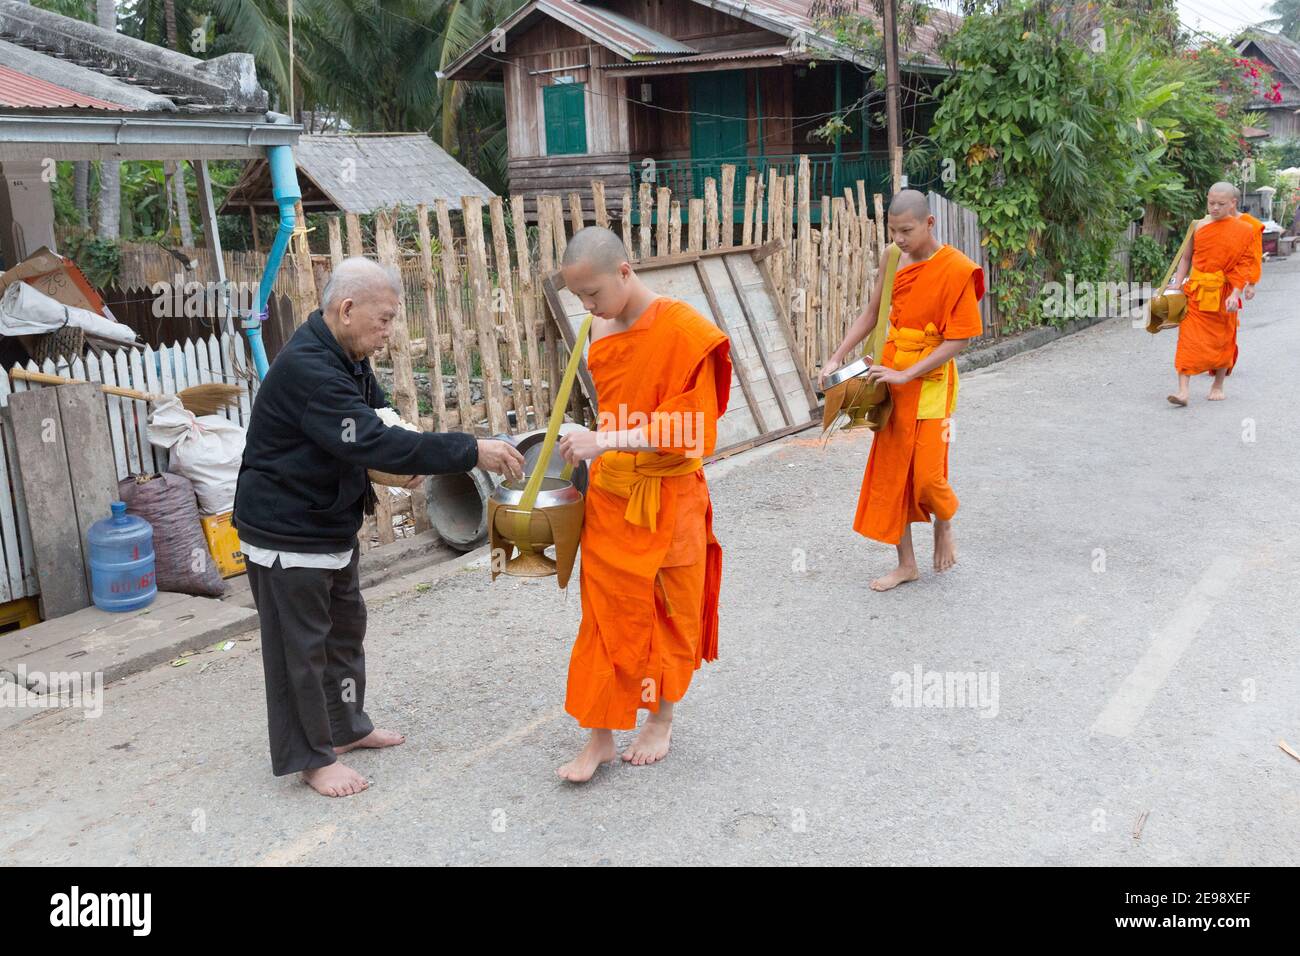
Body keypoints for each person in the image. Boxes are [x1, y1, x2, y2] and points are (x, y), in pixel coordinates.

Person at [233, 257, 523, 797]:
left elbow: (381, 420)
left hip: (327, 521)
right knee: (299, 647)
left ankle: (345, 727)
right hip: (285, 531)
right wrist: (469, 449)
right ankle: (312, 758)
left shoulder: (345, 352)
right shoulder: (310, 370)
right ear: (347, 309)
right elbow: (370, 441)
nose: (390, 331)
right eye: (385, 319)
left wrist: (415, 451)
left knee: (344, 629)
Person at [552, 226, 732, 783]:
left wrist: (604, 440)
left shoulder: (684, 330)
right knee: (604, 617)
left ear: (625, 271)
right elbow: (619, 410)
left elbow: (693, 430)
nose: (587, 307)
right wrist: (596, 439)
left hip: (669, 493)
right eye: (578, 297)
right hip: (610, 494)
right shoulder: (598, 329)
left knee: (668, 612)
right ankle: (600, 735)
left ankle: (661, 718)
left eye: (594, 294)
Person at [820, 190, 984, 591]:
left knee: (928, 478)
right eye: (893, 231)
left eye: (907, 231)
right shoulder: (892, 258)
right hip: (890, 374)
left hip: (928, 379)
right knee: (892, 474)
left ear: (929, 223)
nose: (899, 239)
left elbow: (959, 340)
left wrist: (908, 374)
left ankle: (944, 520)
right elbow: (873, 313)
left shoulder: (956, 268)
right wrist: (838, 356)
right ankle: (906, 564)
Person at [1164, 183, 1258, 405]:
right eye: (1211, 203)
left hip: (1224, 294)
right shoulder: (1198, 226)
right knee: (1187, 339)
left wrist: (1236, 293)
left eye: (1221, 204)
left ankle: (1218, 384)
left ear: (1233, 203)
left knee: (1222, 339)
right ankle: (1183, 392)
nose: (1215, 208)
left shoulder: (1243, 230)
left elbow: (1243, 265)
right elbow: (1186, 258)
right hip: (1196, 291)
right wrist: (1177, 285)